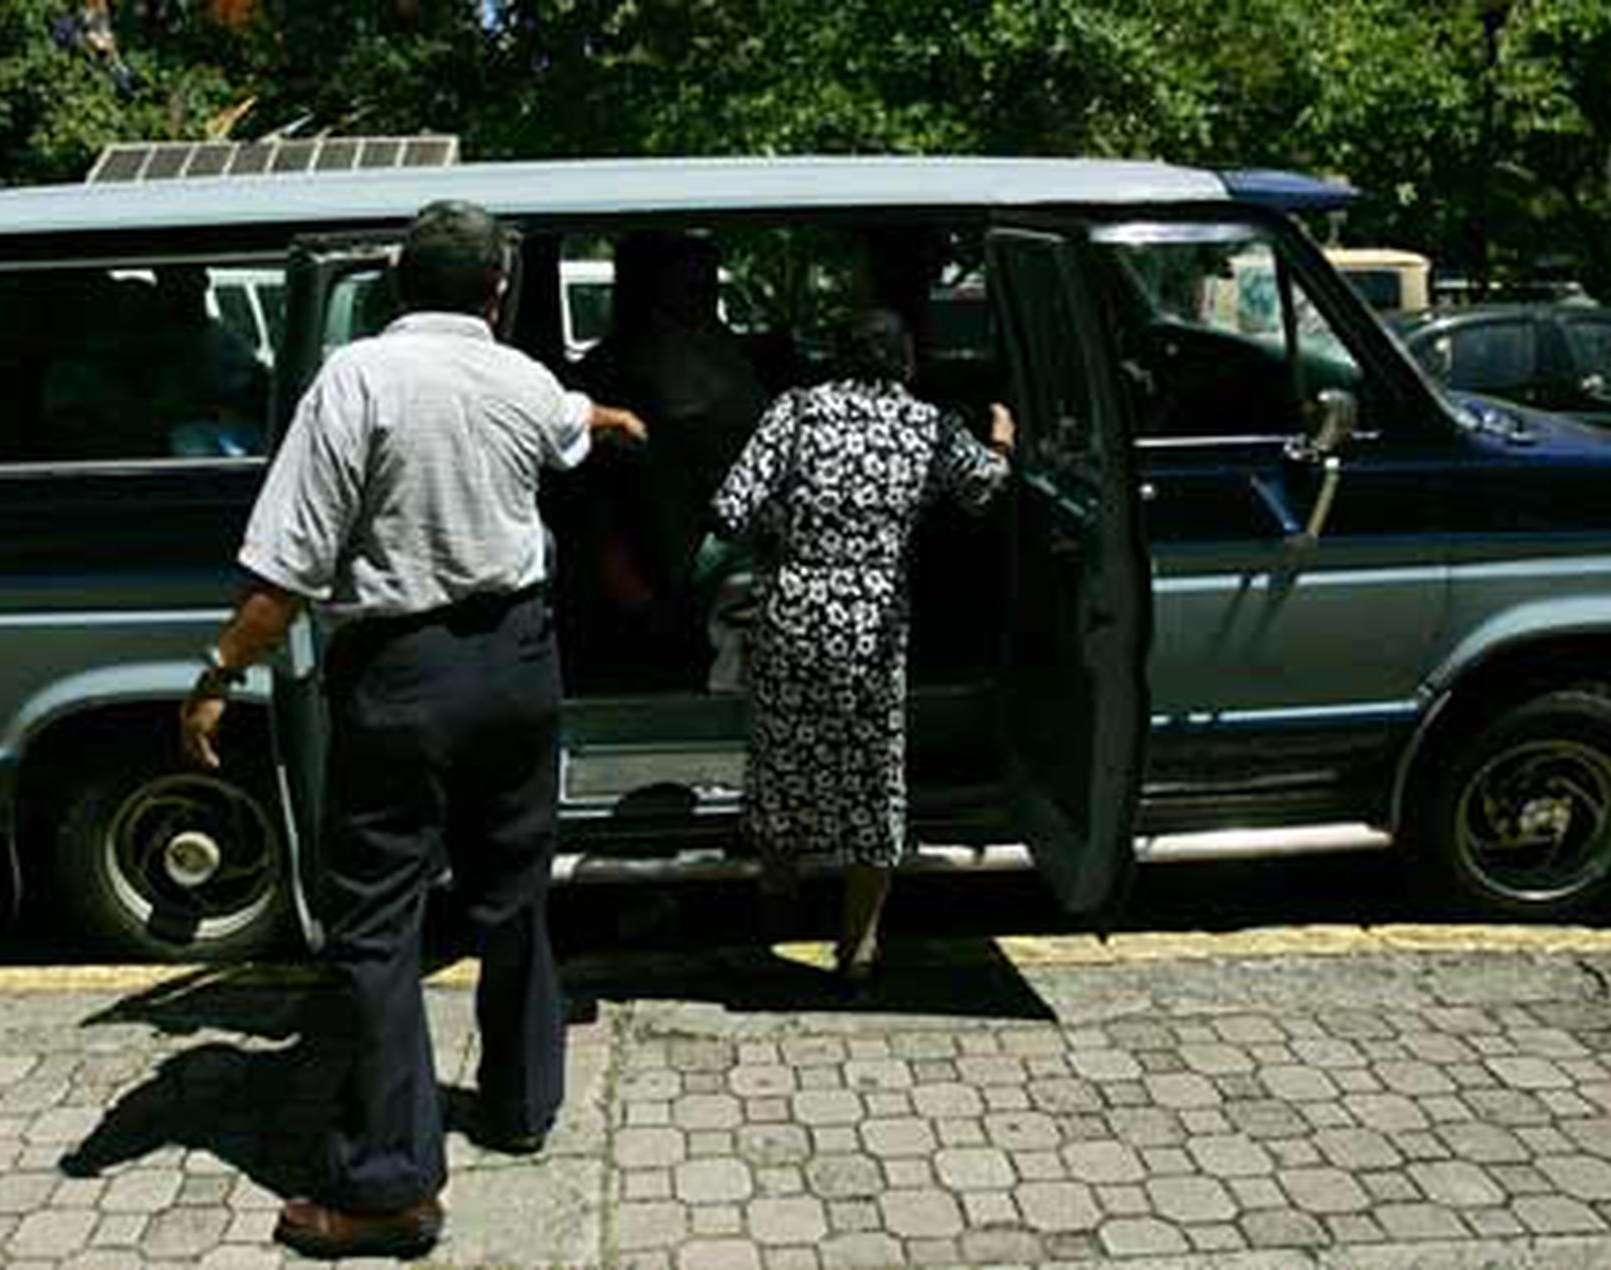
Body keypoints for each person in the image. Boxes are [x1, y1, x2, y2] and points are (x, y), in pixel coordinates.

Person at [179, 200, 645, 1260]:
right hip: (519, 666)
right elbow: (575, 422)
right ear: (498, 291)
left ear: (398, 283)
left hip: (402, 678)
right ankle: (520, 1104)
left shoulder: (354, 381)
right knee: (512, 891)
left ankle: (389, 1186)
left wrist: (216, 674)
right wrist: (621, 422)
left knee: (379, 924)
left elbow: (287, 570)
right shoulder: (520, 378)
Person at [710, 307, 1013, 989]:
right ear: (907, 363)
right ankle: (858, 950)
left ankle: (776, 917)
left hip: (792, 610)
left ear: (837, 357)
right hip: (873, 625)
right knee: (873, 783)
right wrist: (1002, 440)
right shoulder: (930, 424)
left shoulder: (794, 412)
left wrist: (788, 522)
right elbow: (986, 490)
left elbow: (729, 508)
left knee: (784, 767)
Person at [569, 232, 769, 689]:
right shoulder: (618, 369)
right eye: (691, 288)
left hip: (731, 540)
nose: (703, 300)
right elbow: (599, 498)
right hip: (659, 543)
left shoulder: (730, 352)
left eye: (707, 288)